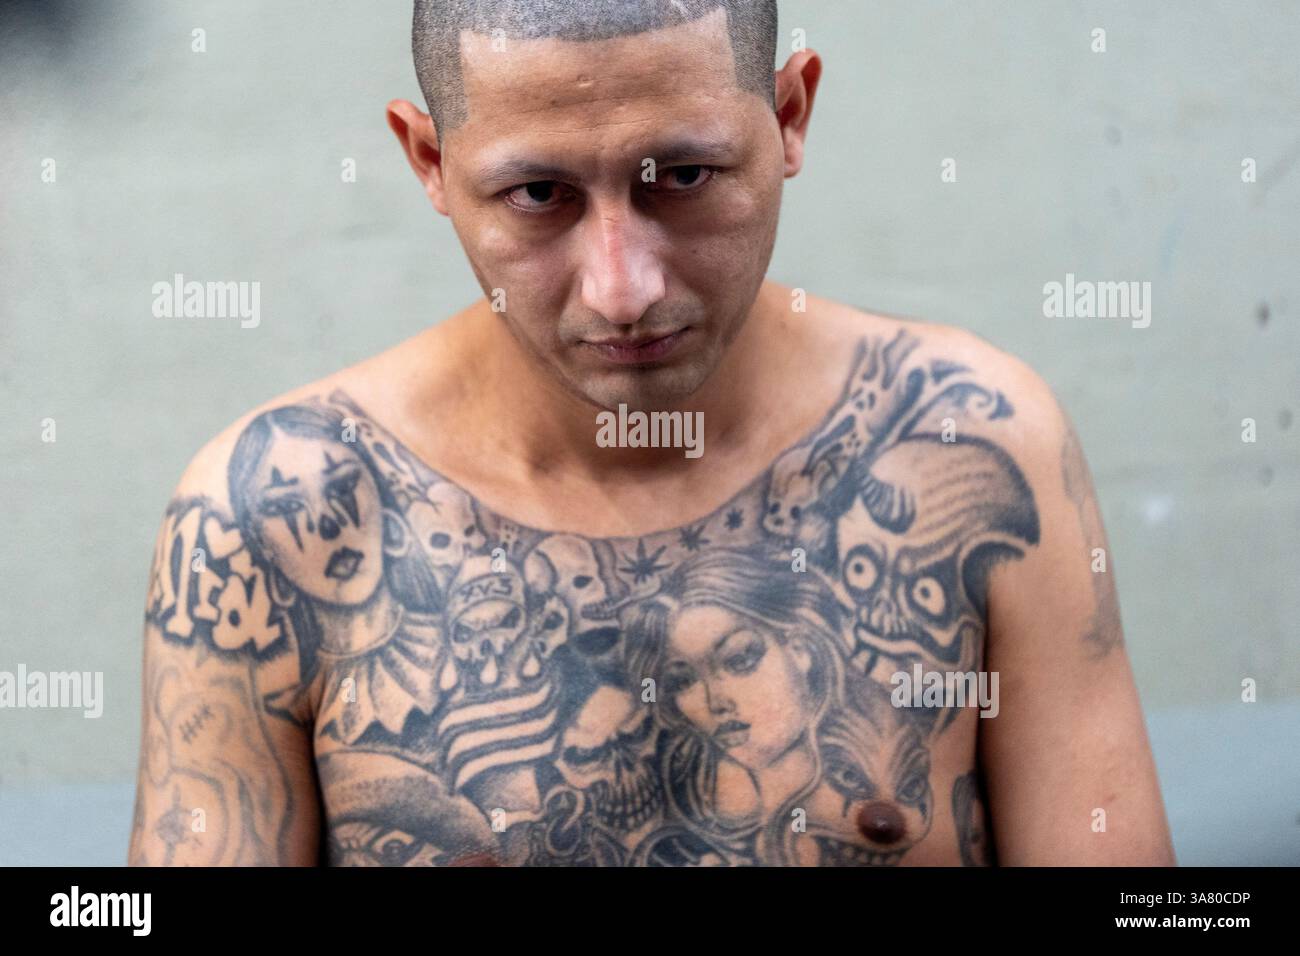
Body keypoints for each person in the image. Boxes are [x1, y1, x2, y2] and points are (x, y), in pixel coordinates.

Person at [129, 0, 1175, 866]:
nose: (622, 289)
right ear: (429, 160)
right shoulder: (276, 518)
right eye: (537, 194)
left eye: (682, 177)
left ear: (790, 113)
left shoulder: (967, 441)